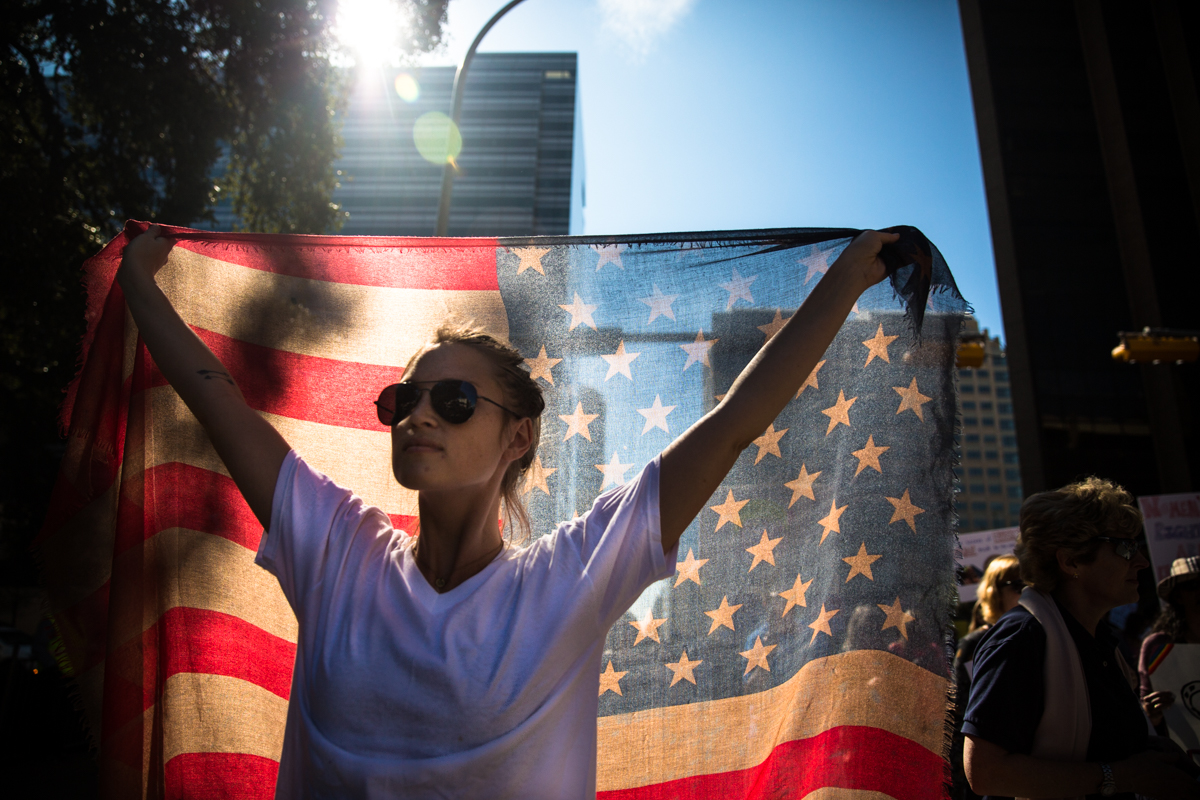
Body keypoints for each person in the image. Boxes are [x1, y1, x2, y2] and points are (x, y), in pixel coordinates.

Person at [117, 224, 896, 798]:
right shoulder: (338, 553)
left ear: (516, 436)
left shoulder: (567, 580)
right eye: (404, 400)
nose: (419, 416)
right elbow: (213, 397)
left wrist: (852, 274)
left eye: (453, 401)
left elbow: (733, 423)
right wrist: (140, 287)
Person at [961, 478, 1199, 800]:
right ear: (1070, 560)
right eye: (1126, 547)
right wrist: (1122, 776)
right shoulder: (1022, 637)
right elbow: (986, 773)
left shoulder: (1101, 639)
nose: (1141, 561)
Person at [951, 554, 1023, 800]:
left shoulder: (1042, 635)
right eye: (1018, 587)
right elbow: (961, 708)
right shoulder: (975, 644)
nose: (1027, 594)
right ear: (995, 591)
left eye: (1031, 586)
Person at [1139, 556, 1200, 735]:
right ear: (1178, 596)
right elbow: (1147, 711)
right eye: (1193, 587)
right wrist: (1153, 712)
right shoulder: (1160, 647)